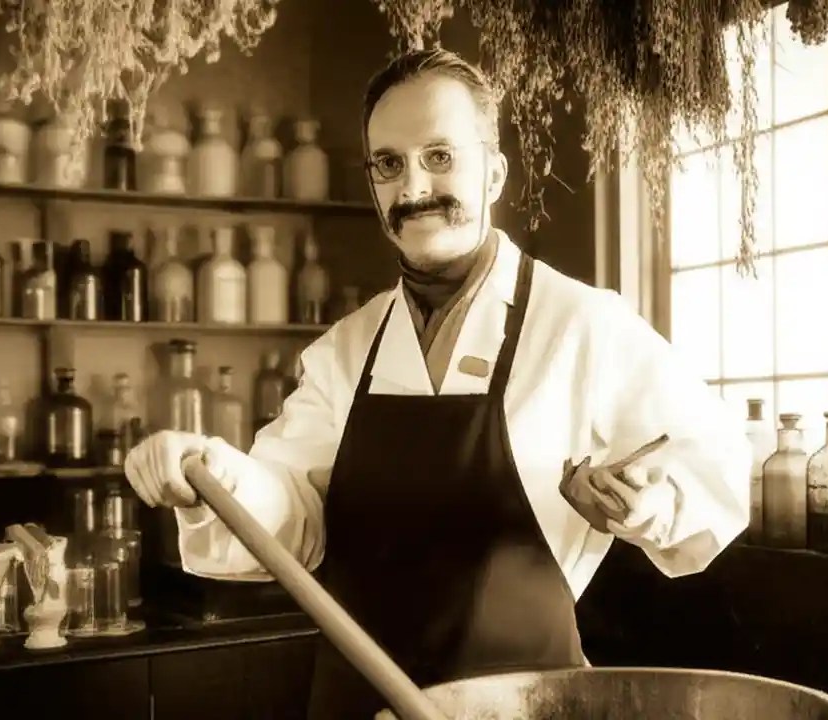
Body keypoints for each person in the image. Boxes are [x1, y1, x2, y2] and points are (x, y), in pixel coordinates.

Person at [124, 48, 751, 719]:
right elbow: (288, 514)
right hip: (358, 706)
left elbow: (712, 462)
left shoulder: (580, 323)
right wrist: (209, 470)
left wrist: (649, 502)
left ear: (495, 173)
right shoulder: (346, 349)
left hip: (522, 708)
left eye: (440, 156)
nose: (413, 187)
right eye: (388, 164)